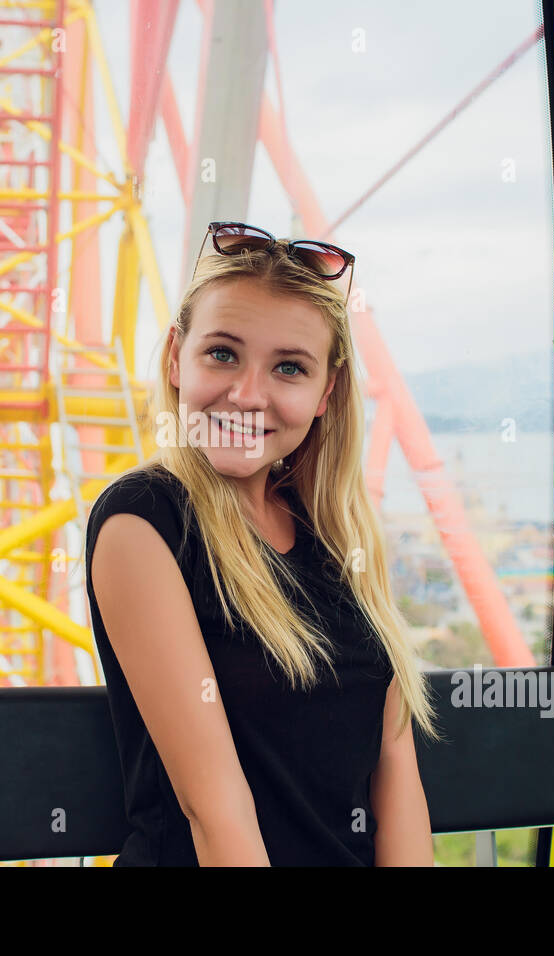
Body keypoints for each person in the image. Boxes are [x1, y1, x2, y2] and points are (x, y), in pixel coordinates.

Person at [85, 221, 441, 866]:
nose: (247, 394)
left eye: (289, 367)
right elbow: (214, 812)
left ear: (325, 393)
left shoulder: (336, 535)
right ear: (175, 356)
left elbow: (396, 771)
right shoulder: (144, 521)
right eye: (222, 353)